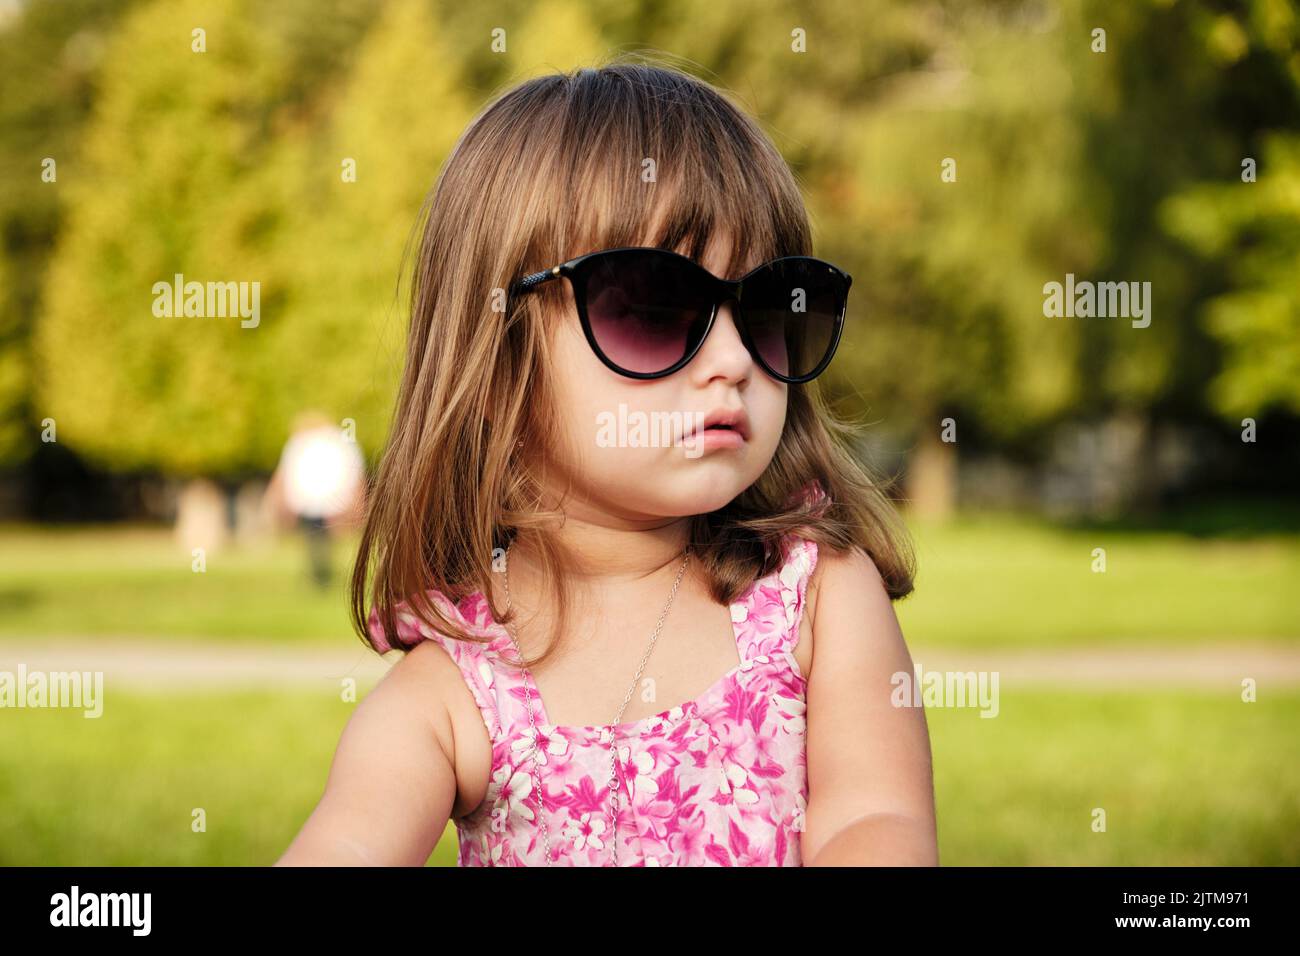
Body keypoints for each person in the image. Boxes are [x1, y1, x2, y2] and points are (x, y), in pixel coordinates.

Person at [278, 59, 935, 867]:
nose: (731, 360)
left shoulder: (815, 597)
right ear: (498, 367)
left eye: (770, 308)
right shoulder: (454, 692)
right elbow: (350, 843)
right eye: (657, 309)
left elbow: (876, 822)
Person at [266, 412, 365, 588]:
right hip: (319, 500)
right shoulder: (339, 442)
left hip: (311, 500)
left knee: (316, 538)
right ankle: (321, 571)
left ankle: (320, 572)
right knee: (320, 538)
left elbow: (285, 473)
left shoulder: (301, 443)